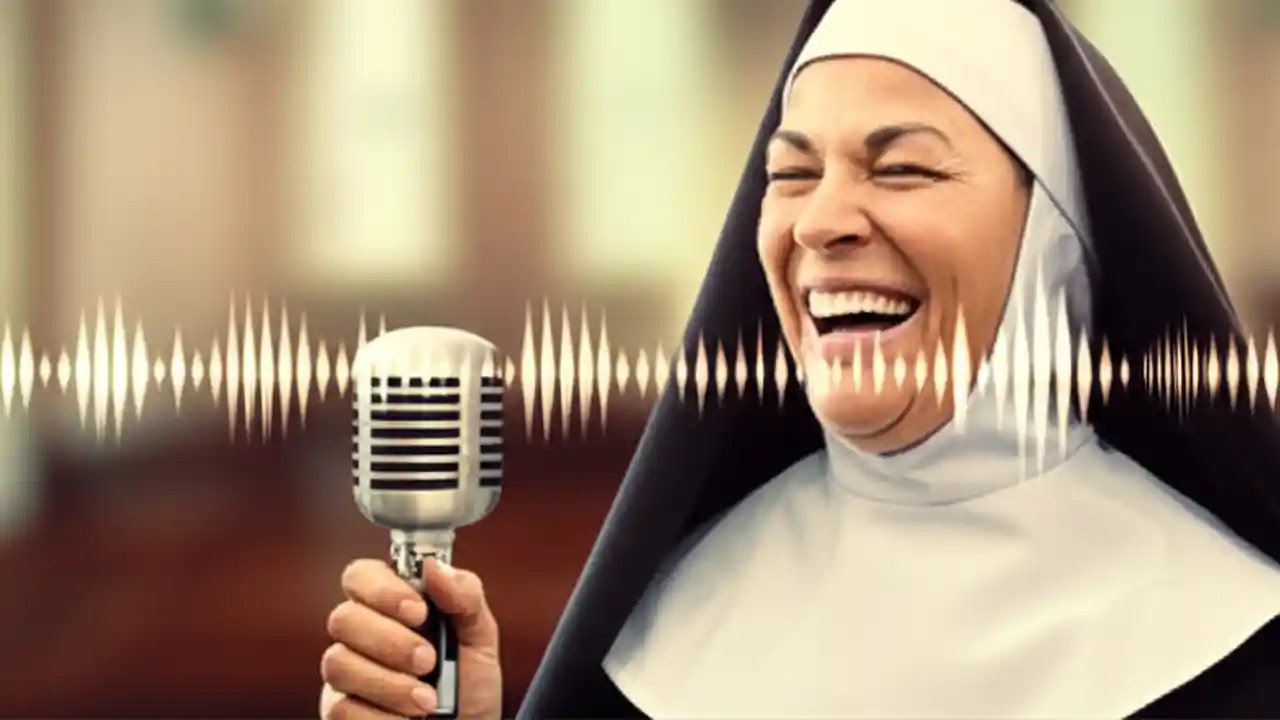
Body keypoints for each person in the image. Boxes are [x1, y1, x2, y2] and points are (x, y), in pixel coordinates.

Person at [319, 0, 1280, 716]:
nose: (820, 222)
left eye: (902, 166)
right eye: (790, 174)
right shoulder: (670, 630)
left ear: (1059, 239)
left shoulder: (1240, 646)